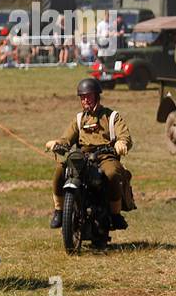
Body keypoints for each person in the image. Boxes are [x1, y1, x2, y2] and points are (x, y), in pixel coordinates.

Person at [43, 78, 132, 230]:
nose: (85, 100)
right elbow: (67, 138)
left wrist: (121, 143)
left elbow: (124, 136)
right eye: (82, 97)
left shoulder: (112, 116)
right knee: (60, 170)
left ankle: (116, 214)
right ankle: (59, 210)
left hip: (106, 155)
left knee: (112, 173)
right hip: (82, 157)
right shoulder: (79, 119)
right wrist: (57, 143)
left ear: (97, 96)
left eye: (88, 96)